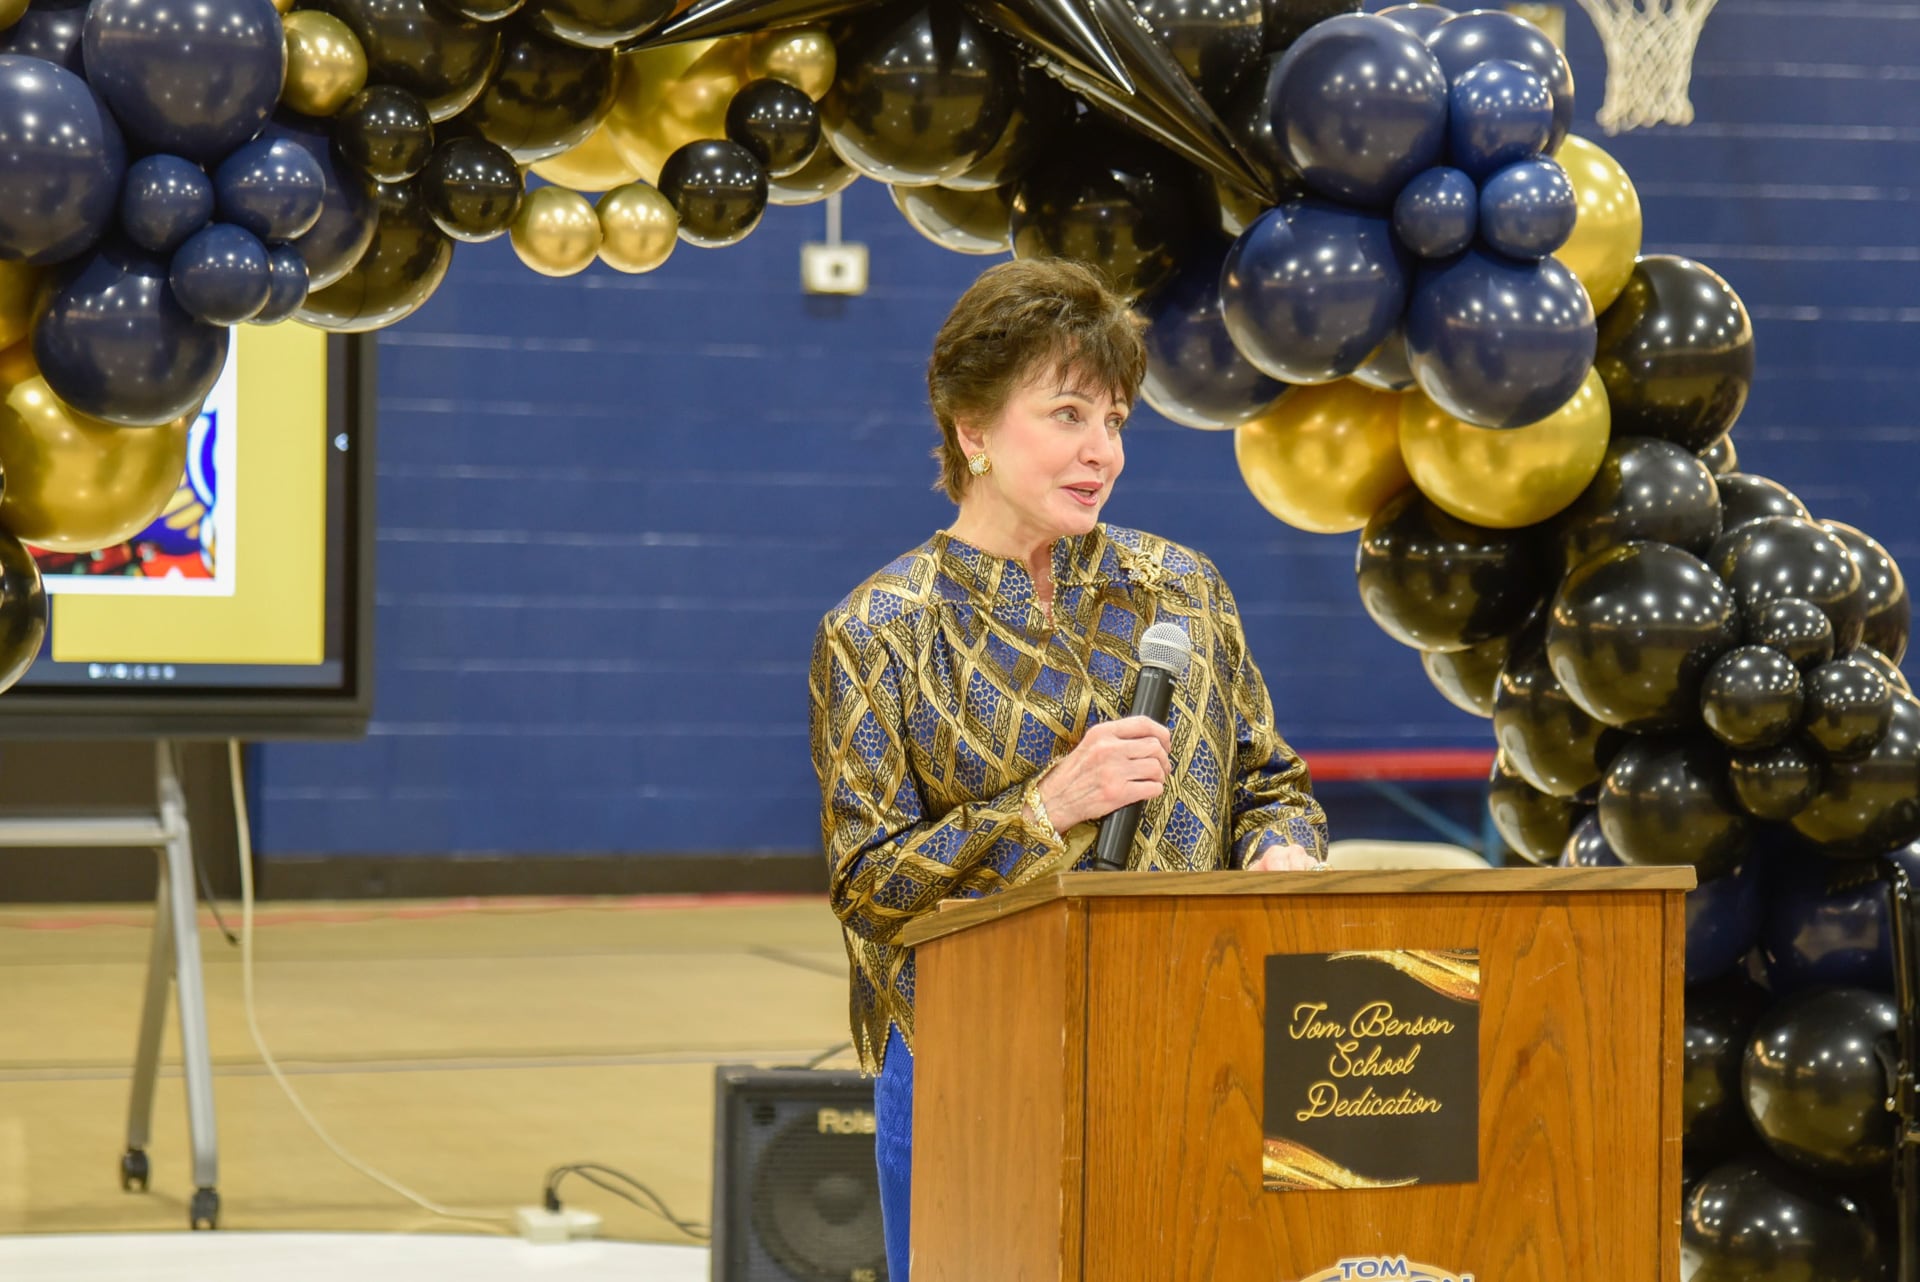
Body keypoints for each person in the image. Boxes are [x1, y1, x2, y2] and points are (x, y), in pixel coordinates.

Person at [807, 258, 1328, 1280]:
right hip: (975, 1063)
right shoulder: (879, 632)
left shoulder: (1183, 590)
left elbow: (1273, 781)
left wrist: (1281, 849)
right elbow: (868, 886)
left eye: (1117, 421)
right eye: (1068, 414)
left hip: (1190, 1038)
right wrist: (1047, 806)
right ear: (973, 432)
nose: (1102, 453)